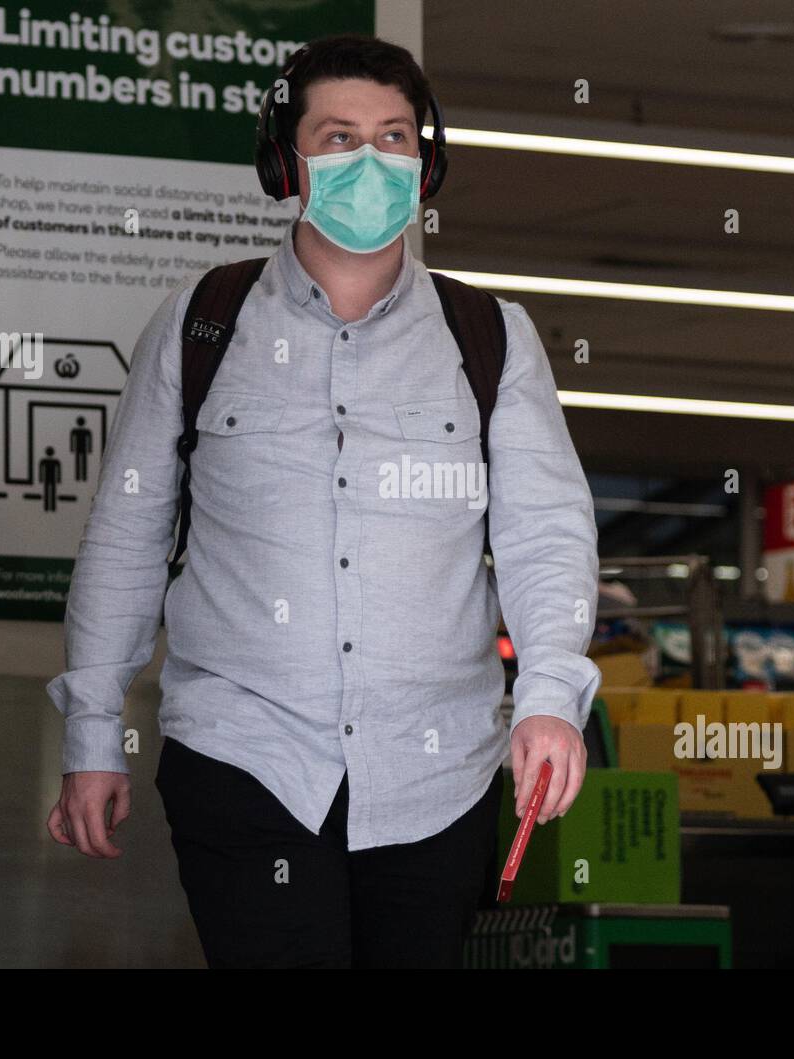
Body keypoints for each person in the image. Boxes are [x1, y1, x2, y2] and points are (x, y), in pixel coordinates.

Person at [44, 33, 600, 969]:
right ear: (285, 159)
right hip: (245, 755)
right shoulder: (200, 324)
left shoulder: (491, 337)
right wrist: (93, 731)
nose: (371, 160)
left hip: (439, 771)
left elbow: (544, 533)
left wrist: (551, 695)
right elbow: (127, 538)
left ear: (427, 162)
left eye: (394, 137)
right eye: (339, 137)